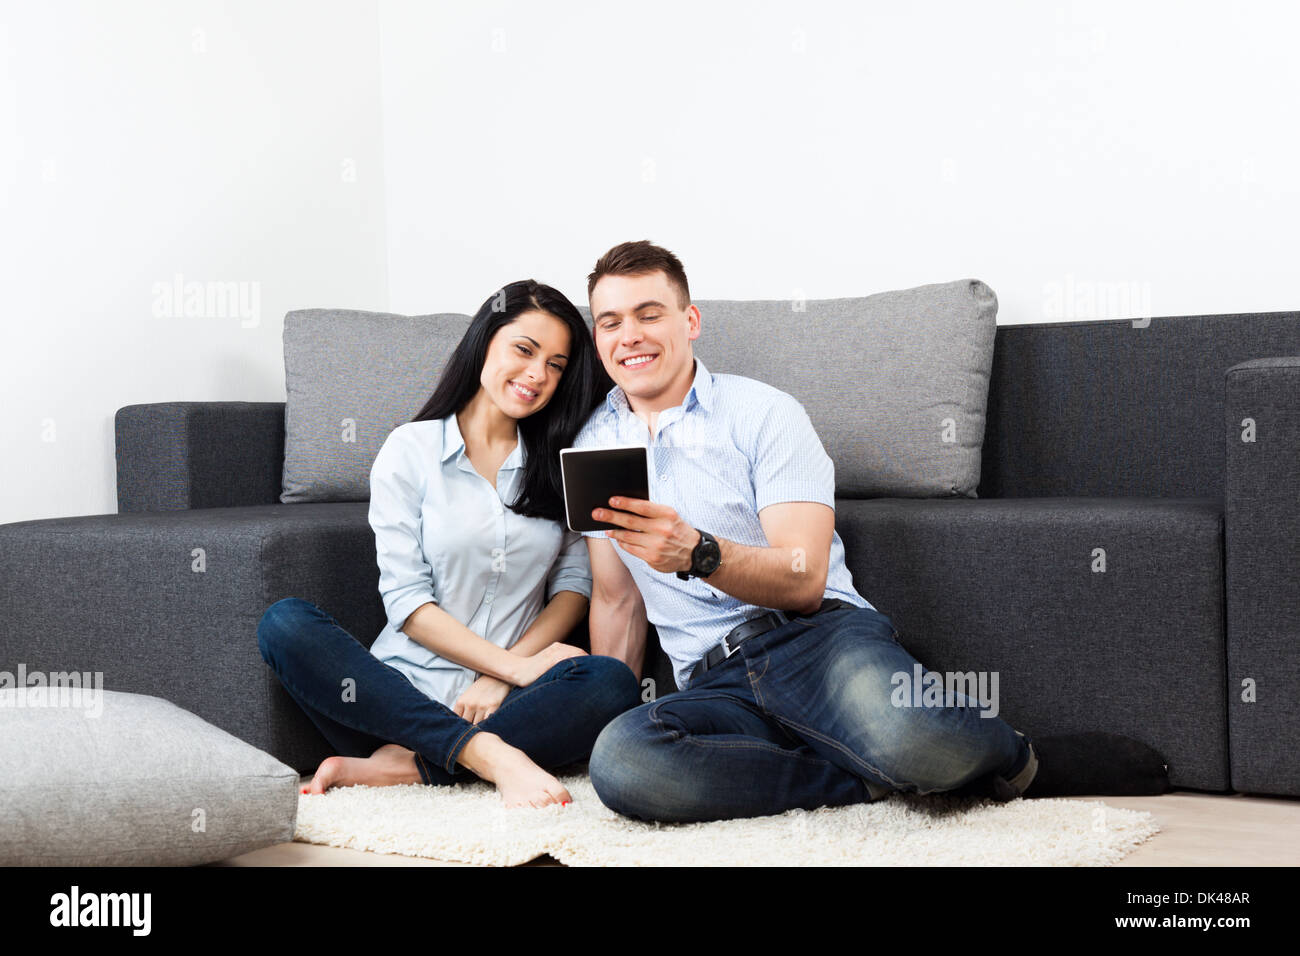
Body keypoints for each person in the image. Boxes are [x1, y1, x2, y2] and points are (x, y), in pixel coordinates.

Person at [574, 240, 1171, 823]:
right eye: (610, 322)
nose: (630, 336)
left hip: (817, 640)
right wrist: (611, 709)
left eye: (648, 315)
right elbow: (617, 599)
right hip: (713, 681)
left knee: (912, 733)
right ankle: (866, 778)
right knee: (623, 761)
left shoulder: (763, 413)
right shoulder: (593, 446)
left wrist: (699, 552)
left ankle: (1023, 762)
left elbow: (804, 578)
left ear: (690, 320)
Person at [257, 279, 641, 809]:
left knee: (610, 682)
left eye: (555, 364)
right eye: (524, 350)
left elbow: (573, 589)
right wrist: (510, 668)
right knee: (285, 624)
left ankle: (412, 766)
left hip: (508, 706)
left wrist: (500, 678)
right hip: (392, 706)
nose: (537, 375)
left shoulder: (561, 461)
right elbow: (408, 604)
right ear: (485, 341)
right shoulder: (409, 450)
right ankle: (488, 757)